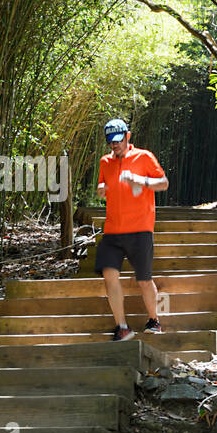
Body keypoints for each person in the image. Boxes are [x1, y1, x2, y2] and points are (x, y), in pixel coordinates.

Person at [95, 118, 169, 341]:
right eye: (110, 142)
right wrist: (101, 188)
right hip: (112, 231)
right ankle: (122, 327)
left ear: (128, 136)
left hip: (140, 228)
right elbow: (102, 184)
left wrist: (140, 179)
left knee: (144, 279)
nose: (114, 145)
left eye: (118, 140)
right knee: (109, 274)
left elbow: (163, 183)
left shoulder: (144, 156)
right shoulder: (105, 161)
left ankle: (155, 320)